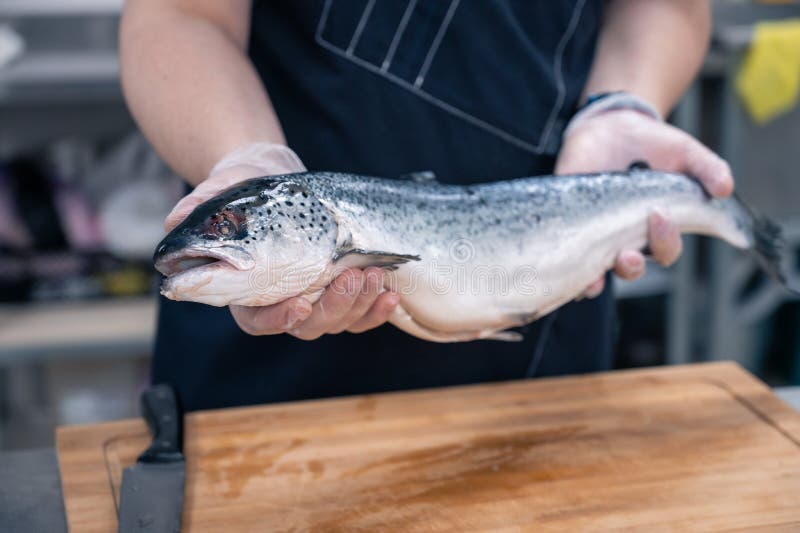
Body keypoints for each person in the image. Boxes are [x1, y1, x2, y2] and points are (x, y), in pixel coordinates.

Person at [120, 0, 733, 411]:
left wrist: (620, 105)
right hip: (262, 379)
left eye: (233, 223)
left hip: (545, 294)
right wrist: (245, 157)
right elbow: (180, 14)